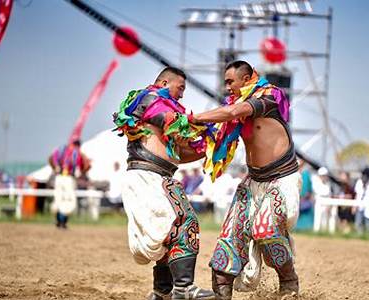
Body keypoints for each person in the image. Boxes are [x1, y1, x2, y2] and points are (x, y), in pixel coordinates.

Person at [191, 61, 300, 299]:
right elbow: (215, 135)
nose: (227, 86)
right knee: (228, 238)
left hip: (281, 179)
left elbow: (232, 112)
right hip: (253, 182)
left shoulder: (269, 94)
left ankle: (289, 283)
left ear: (247, 77)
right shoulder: (236, 107)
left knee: (266, 230)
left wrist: (194, 117)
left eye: (231, 81)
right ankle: (222, 295)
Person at [113, 67, 214, 300]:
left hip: (158, 176)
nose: (182, 95)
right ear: (165, 82)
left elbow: (179, 153)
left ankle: (162, 291)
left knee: (170, 232)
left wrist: (210, 144)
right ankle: (183, 288)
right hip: (148, 176)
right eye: (180, 88)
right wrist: (207, 121)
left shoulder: (162, 109)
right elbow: (170, 120)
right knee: (185, 222)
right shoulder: (150, 98)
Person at [48, 139, 90, 229]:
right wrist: (81, 172)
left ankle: (59, 221)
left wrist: (55, 168)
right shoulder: (77, 153)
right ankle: (62, 222)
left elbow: (50, 158)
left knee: (59, 199)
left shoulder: (60, 150)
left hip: (59, 177)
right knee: (69, 200)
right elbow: (87, 165)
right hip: (69, 179)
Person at [353, 167, 369, 234]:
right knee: (358, 223)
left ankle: (368, 237)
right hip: (360, 206)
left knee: (368, 224)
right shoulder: (359, 182)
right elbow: (357, 195)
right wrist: (354, 205)